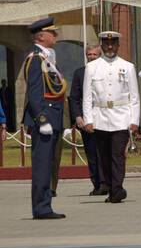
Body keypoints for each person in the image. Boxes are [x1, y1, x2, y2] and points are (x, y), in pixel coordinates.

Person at [81, 30, 140, 204]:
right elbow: (87, 96)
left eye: (113, 43)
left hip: (121, 117)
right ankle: (111, 185)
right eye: (106, 44)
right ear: (101, 45)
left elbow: (134, 96)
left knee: (117, 155)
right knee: (104, 157)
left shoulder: (127, 66)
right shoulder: (92, 67)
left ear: (118, 45)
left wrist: (134, 120)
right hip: (99, 117)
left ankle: (117, 189)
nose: (109, 47)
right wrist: (88, 120)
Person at [17, 17, 67, 219]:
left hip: (53, 117)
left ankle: (45, 204)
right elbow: (35, 92)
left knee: (49, 164)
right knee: (42, 165)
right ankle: (41, 207)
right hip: (45, 119)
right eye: (51, 32)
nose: (55, 35)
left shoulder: (46, 58)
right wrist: (42, 119)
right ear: (41, 36)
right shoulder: (35, 59)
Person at [70, 45, 106, 196]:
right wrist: (78, 116)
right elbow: (74, 97)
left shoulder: (106, 70)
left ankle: (106, 183)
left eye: (94, 54)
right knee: (91, 153)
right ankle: (97, 184)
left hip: (105, 118)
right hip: (86, 120)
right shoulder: (79, 73)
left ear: (100, 55)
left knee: (104, 152)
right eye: (89, 54)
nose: (91, 57)